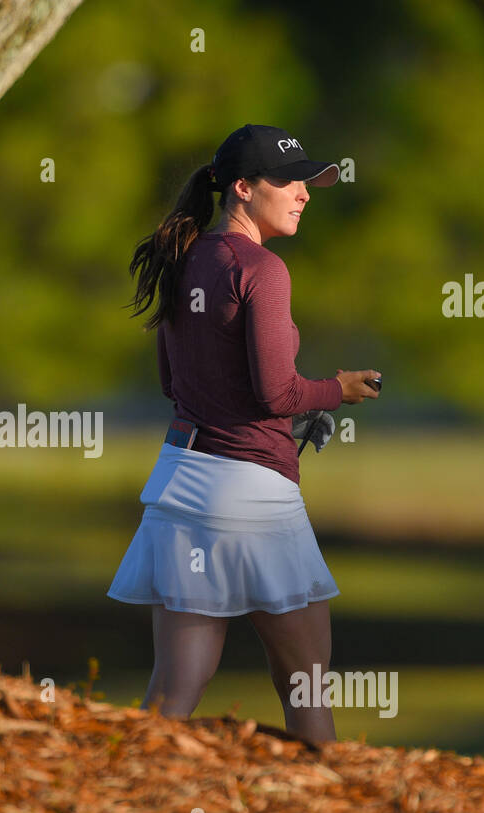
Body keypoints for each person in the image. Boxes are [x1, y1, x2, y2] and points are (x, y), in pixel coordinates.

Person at [107, 124, 381, 744]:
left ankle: (114, 810)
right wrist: (339, 389)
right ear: (242, 188)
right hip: (251, 495)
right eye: (287, 181)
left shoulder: (183, 257)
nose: (304, 193)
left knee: (174, 689)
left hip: (179, 485)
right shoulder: (263, 269)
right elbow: (277, 394)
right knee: (307, 683)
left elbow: (174, 383)